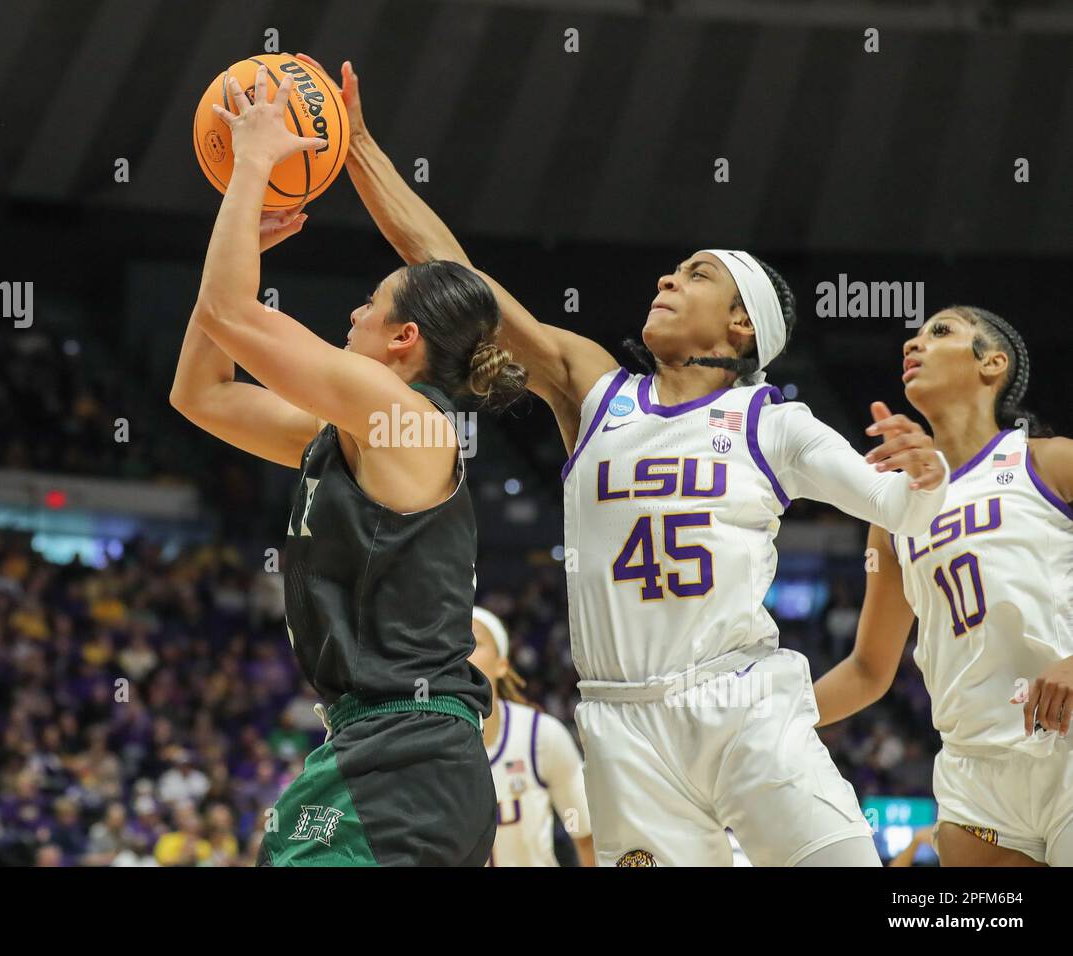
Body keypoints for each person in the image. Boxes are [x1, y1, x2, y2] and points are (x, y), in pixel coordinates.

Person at [308, 53, 949, 866]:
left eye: (696, 275)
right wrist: (357, 147)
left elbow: (897, 509)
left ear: (742, 327)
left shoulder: (772, 423)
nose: (666, 278)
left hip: (745, 704)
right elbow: (451, 273)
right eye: (674, 269)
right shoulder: (594, 390)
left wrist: (927, 472)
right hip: (619, 726)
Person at [170, 68, 526, 865]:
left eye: (371, 303)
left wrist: (254, 164)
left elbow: (234, 314)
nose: (354, 313)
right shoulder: (358, 431)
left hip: (403, 756)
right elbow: (200, 392)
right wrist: (239, 237)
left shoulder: (405, 419)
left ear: (404, 341)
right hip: (394, 754)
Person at [815, 306, 1073, 866]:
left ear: (993, 363)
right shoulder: (893, 509)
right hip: (973, 777)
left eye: (940, 332)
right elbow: (867, 669)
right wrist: (768, 721)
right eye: (913, 335)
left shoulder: (1050, 463)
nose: (914, 342)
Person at [469, 607, 594, 866]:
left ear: (502, 664)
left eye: (473, 642)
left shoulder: (540, 735)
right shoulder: (426, 744)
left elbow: (585, 836)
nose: (462, 653)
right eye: (454, 643)